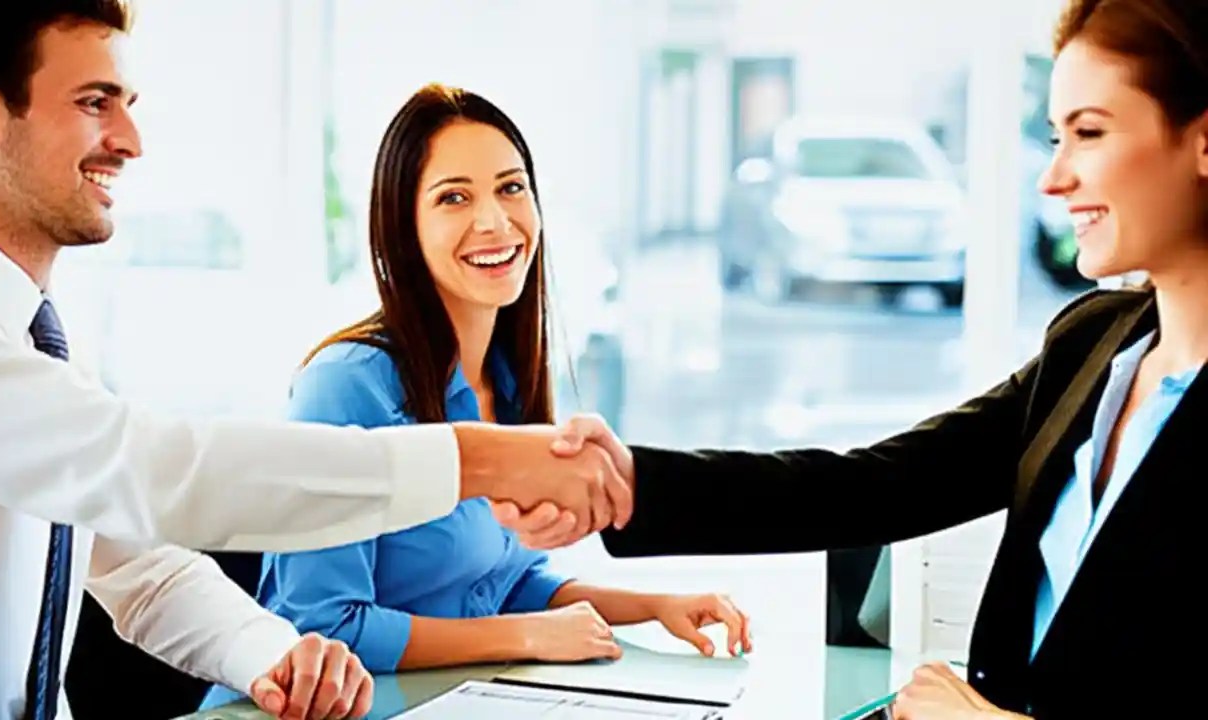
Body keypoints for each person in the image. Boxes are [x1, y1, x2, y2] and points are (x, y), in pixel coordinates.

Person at [507, 0, 1208, 717]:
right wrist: (629, 484)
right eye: (1054, 136)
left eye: (1089, 133)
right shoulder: (1092, 348)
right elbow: (877, 485)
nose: (1052, 178)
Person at [0, 2, 630, 717]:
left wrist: (272, 652)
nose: (132, 140)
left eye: (127, 104)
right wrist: (480, 460)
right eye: (94, 103)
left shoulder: (27, 333)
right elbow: (148, 468)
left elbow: (141, 568)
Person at [199, 84, 751, 710]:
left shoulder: (508, 380)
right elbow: (323, 626)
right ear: (403, 226)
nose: (494, 220)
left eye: (511, 188)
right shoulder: (347, 383)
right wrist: (526, 638)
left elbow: (505, 581)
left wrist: (653, 608)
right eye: (453, 197)